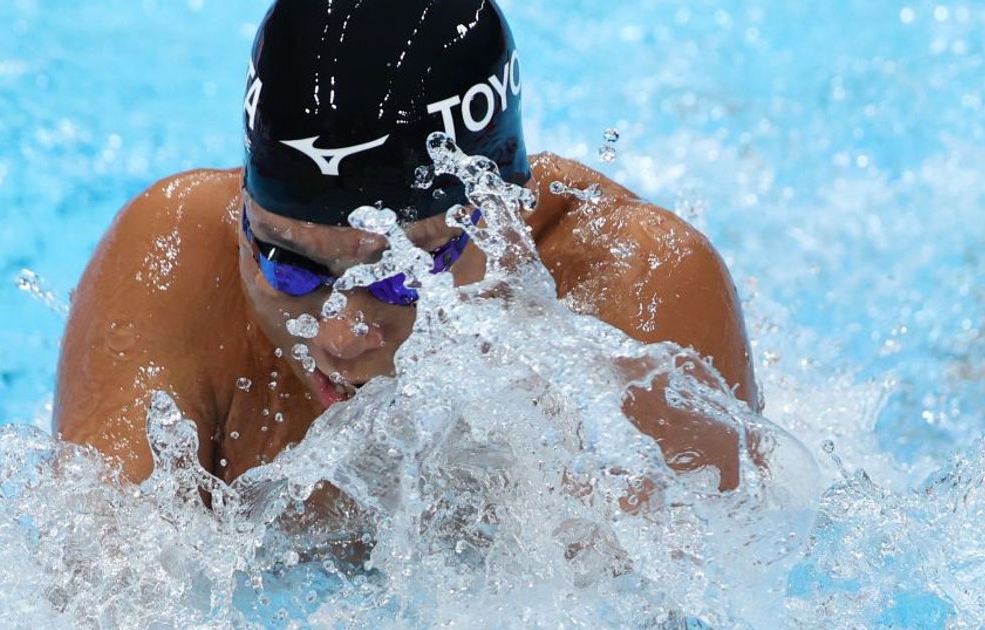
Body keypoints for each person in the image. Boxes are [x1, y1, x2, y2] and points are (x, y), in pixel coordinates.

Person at [54, 0, 759, 494]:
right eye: (290, 264)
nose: (337, 337)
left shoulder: (637, 300)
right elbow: (92, 588)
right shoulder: (176, 255)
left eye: (403, 273)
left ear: (504, 216)